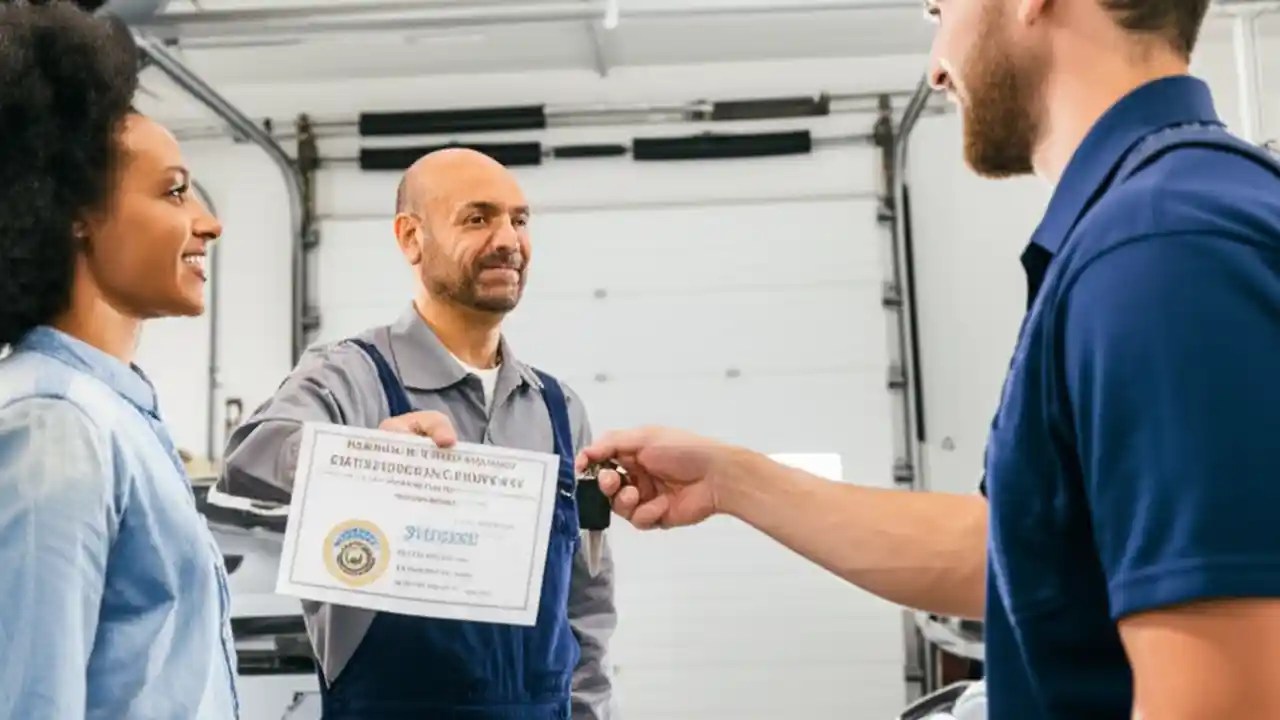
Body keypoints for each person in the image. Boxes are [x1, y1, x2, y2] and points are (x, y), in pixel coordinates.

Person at [576, 0, 1280, 718]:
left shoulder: (1162, 247)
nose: (938, 67)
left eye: (940, 10)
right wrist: (732, 481)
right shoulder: (1147, 228)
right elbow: (1010, 552)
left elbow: (1227, 699)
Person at [214, 147, 618, 719]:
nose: (508, 239)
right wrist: (366, 460)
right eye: (478, 219)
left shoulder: (556, 409)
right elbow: (250, 459)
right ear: (410, 238)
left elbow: (587, 603)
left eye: (519, 220)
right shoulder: (352, 375)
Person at [0, 3, 238, 719]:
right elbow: (31, 699)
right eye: (173, 191)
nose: (208, 220)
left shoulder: (112, 408)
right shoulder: (55, 425)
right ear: (74, 210)